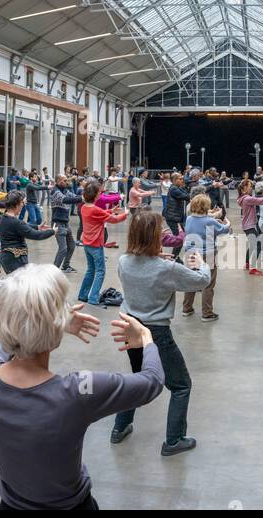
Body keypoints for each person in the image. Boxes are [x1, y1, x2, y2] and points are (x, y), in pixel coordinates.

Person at [0, 266, 160, 510]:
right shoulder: (77, 393)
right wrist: (146, 338)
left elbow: (8, 336)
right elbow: (151, 382)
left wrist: (50, 324)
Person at [110, 212, 211, 454]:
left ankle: (119, 428)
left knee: (137, 377)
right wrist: (202, 263)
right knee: (180, 385)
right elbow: (201, 281)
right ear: (154, 237)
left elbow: (144, 269)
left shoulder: (124, 261)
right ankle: (174, 440)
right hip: (156, 332)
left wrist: (157, 259)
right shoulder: (167, 269)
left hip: (130, 326)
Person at [77, 180, 128, 306]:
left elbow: (100, 215)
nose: (101, 195)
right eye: (99, 193)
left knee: (91, 270)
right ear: (95, 195)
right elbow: (114, 220)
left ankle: (83, 295)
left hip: (87, 243)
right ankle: (93, 298)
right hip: (95, 245)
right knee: (100, 271)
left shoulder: (84, 207)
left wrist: (110, 210)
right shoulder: (95, 210)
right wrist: (125, 214)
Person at [181, 195, 230, 322]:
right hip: (207, 254)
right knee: (208, 283)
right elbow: (224, 230)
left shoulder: (189, 219)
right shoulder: (209, 221)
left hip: (190, 253)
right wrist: (226, 222)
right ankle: (207, 313)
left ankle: (187, 308)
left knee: (191, 280)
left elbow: (204, 218)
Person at [0, 191, 54, 273]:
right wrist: (52, 231)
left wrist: (37, 227)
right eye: (22, 202)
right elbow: (36, 235)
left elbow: (21, 227)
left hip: (8, 258)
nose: (23, 205)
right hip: (16, 260)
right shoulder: (16, 222)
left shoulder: (4, 218)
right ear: (17, 204)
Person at [49, 174, 80, 273]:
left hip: (65, 223)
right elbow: (65, 200)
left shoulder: (66, 191)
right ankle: (53, 271)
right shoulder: (55, 191)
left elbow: (75, 197)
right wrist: (81, 199)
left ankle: (66, 266)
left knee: (71, 246)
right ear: (58, 181)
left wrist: (86, 197)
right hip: (57, 224)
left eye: (66, 180)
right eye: (64, 180)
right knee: (63, 249)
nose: (66, 182)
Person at [164, 173, 190, 259]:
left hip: (177, 218)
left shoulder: (177, 187)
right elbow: (187, 197)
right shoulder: (174, 189)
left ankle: (175, 257)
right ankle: (174, 258)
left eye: (182, 179)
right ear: (175, 180)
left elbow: (186, 193)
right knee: (179, 240)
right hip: (173, 219)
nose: (182, 180)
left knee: (181, 238)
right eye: (180, 179)